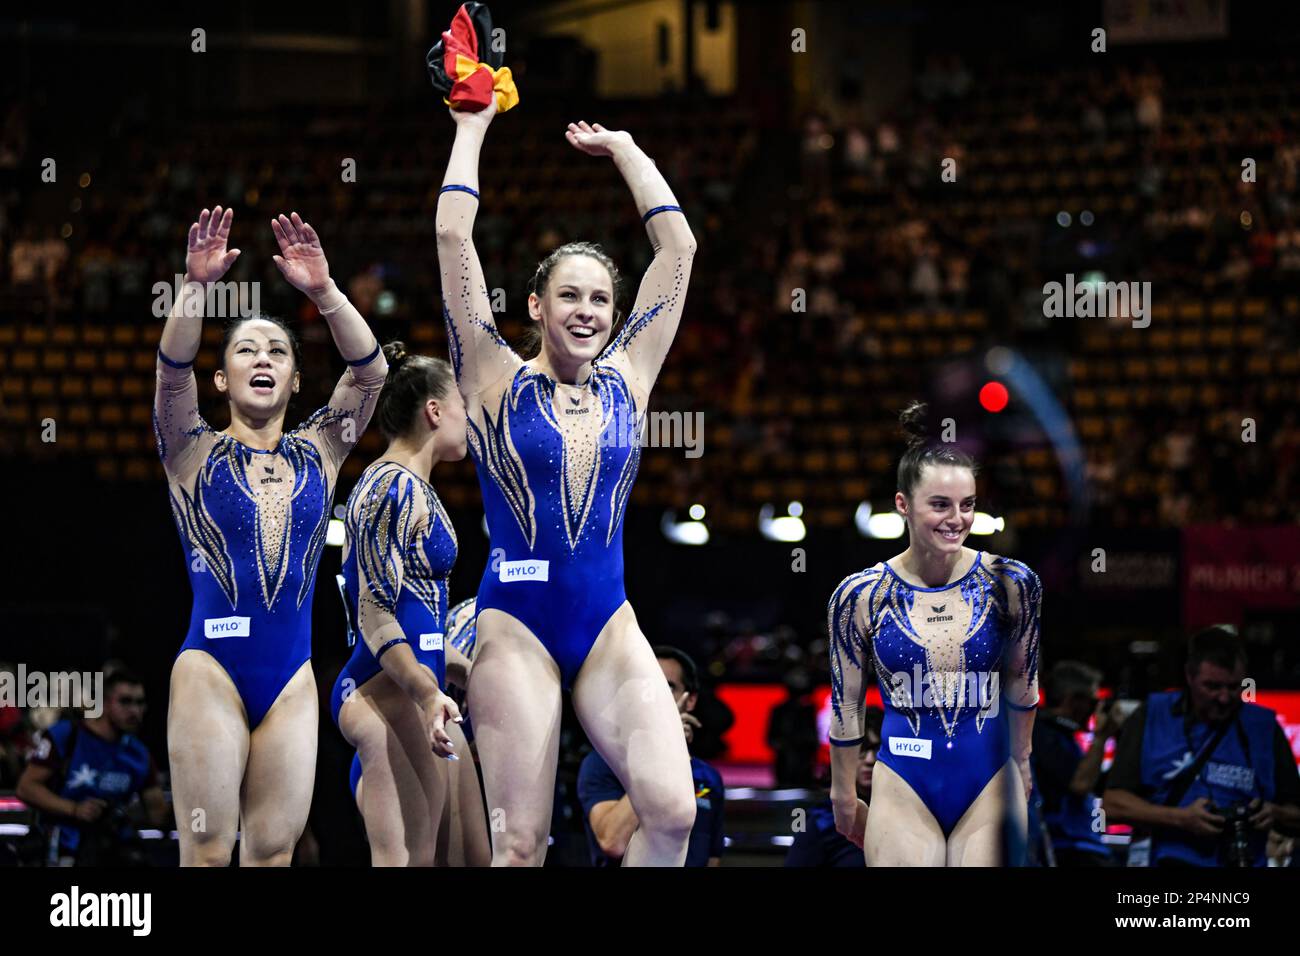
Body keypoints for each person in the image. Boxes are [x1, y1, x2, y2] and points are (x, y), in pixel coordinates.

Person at [435, 92, 698, 866]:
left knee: (674, 813)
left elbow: (677, 252)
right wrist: (473, 127)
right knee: (519, 845)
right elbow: (453, 235)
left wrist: (626, 151)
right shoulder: (491, 377)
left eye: (600, 299)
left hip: (607, 621)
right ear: (535, 308)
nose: (586, 311)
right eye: (569, 297)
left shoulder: (630, 374)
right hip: (515, 624)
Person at [156, 207, 387, 866]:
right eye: (246, 350)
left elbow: (370, 374)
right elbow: (172, 370)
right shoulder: (189, 451)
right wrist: (195, 288)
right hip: (210, 671)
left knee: (272, 853)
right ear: (222, 379)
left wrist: (325, 292)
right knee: (205, 850)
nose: (264, 357)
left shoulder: (322, 449)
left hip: (292, 678)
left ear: (293, 379)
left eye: (278, 350)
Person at [827, 401, 1041, 866]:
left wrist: (1023, 761)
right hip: (905, 778)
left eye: (967, 505)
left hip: (990, 776)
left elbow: (1024, 685)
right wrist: (843, 793)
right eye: (940, 505)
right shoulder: (861, 595)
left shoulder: (1012, 584)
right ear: (903, 504)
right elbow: (846, 703)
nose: (957, 519)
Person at [330, 344, 489, 866]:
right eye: (462, 408)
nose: (469, 421)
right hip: (387, 692)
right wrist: (424, 692)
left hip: (416, 690)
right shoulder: (389, 485)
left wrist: (459, 667)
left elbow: (414, 608)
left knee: (448, 859)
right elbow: (374, 612)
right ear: (435, 411)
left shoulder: (413, 486)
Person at [1102, 625, 1300, 866]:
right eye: (1212, 687)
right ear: (1189, 676)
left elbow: (1295, 811)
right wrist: (1180, 819)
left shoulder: (1264, 726)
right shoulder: (1152, 715)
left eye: (1234, 686)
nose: (1224, 697)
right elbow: (1112, 804)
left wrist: (1275, 813)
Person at [577, 647, 724, 867]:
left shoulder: (708, 777)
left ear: (691, 700)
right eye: (647, 685)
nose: (657, 698)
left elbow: (711, 860)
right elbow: (612, 841)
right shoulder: (603, 763)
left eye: (668, 687)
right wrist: (665, 751)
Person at [17, 669, 168, 866]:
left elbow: (157, 813)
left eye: (140, 703)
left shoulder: (139, 754)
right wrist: (74, 809)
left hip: (112, 851)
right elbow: (26, 788)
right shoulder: (66, 735)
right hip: (62, 847)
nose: (134, 711)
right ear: (104, 702)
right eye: (125, 701)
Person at [1032, 660, 1125, 865]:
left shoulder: (1062, 736)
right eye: (1093, 702)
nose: (1096, 710)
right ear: (1073, 700)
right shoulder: (1041, 733)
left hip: (1079, 843)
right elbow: (1079, 784)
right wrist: (1102, 736)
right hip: (1066, 847)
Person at [785, 706, 882, 868]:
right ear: (842, 757)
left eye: (877, 750)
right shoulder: (822, 821)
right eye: (862, 750)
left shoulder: (905, 816)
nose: (870, 760)